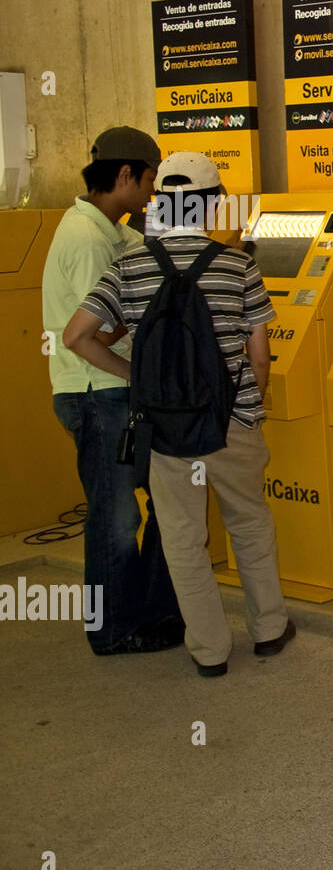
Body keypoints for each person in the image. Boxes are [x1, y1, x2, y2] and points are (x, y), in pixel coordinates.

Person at [62, 151, 294, 677]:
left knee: (183, 539)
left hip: (166, 427)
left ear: (161, 203)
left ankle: (210, 651)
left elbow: (78, 336)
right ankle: (269, 631)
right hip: (231, 421)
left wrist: (137, 381)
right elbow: (260, 355)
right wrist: (249, 410)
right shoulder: (239, 265)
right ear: (212, 204)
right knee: (250, 524)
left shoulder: (129, 265)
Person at [42, 127, 183, 655]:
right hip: (98, 396)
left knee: (163, 506)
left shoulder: (111, 230)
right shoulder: (86, 238)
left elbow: (152, 259)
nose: (152, 193)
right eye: (149, 180)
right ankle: (114, 630)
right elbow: (92, 334)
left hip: (113, 395)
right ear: (125, 174)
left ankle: (149, 614)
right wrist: (138, 377)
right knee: (116, 519)